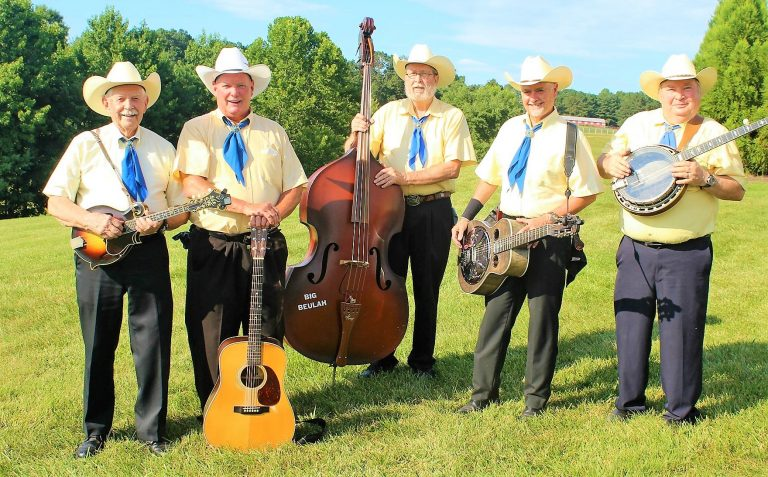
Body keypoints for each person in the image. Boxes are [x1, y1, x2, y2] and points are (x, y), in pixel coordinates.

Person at [43, 62, 186, 457]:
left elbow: (180, 211)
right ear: (106, 103)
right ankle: (95, 431)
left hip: (148, 254)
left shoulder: (163, 147)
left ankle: (152, 431)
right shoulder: (85, 143)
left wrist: (160, 223)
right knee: (98, 344)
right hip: (95, 257)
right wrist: (91, 219)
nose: (129, 105)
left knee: (154, 342)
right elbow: (55, 201)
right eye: (121, 98)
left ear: (145, 103)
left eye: (136, 98)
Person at [598, 54, 745, 425]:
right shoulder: (637, 124)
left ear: (698, 92)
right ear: (659, 93)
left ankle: (680, 411)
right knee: (630, 327)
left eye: (687, 88)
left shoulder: (714, 132)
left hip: (685, 250)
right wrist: (608, 164)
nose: (680, 95)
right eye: (672, 89)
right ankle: (628, 403)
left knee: (680, 334)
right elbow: (606, 160)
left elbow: (737, 189)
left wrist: (705, 179)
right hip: (634, 247)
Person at [452, 56, 603, 417]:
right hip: (504, 235)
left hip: (550, 237)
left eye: (540, 89)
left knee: (542, 320)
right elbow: (490, 177)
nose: (533, 96)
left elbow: (587, 192)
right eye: (527, 90)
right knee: (495, 317)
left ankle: (535, 402)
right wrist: (467, 216)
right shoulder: (509, 129)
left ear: (554, 91)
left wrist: (547, 217)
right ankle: (481, 396)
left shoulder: (570, 134)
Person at [174, 47, 307, 414]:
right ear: (214, 89)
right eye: (226, 85)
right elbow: (194, 187)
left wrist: (275, 214)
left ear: (252, 88)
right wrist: (249, 208)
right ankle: (216, 406)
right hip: (215, 245)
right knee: (212, 330)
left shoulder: (273, 131)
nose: (235, 92)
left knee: (266, 326)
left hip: (266, 244)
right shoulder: (197, 129)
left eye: (242, 85)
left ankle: (265, 402)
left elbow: (296, 184)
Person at [345, 44, 476, 378]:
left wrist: (405, 177)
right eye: (413, 73)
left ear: (436, 79)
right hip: (391, 210)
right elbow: (356, 158)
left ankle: (422, 361)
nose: (418, 79)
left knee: (426, 289)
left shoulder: (452, 116)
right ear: (405, 77)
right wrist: (355, 133)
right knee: (386, 285)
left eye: (425, 74)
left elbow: (452, 169)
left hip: (434, 211)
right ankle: (382, 358)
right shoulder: (387, 112)